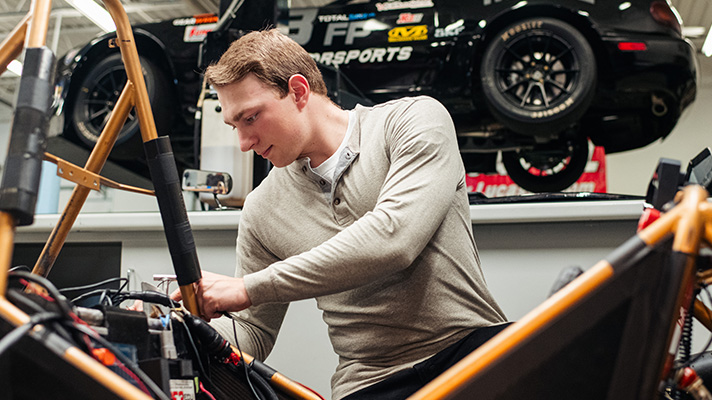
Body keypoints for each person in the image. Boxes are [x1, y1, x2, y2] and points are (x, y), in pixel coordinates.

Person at [174, 28, 509, 400]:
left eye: (251, 118)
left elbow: (395, 239)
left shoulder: (411, 122)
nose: (243, 143)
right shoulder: (262, 208)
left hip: (468, 352)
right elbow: (252, 334)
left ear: (298, 91)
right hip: (371, 383)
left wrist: (249, 288)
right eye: (234, 126)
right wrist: (181, 330)